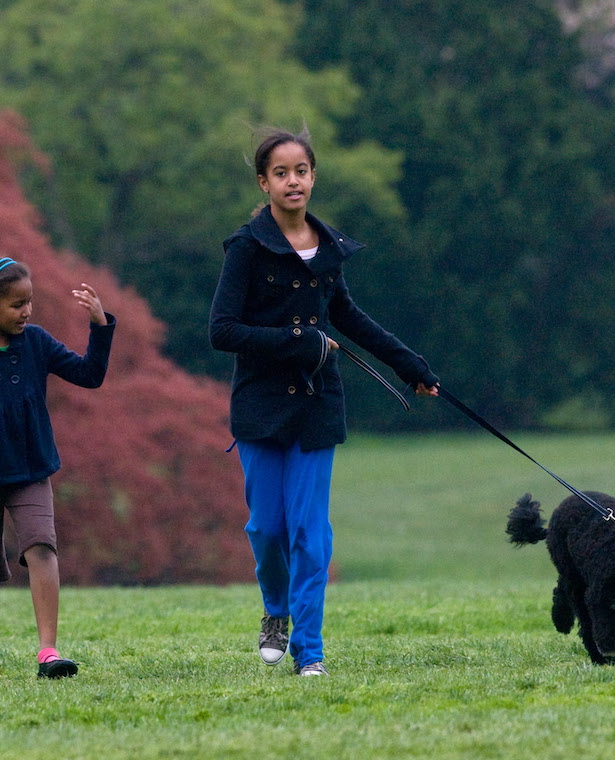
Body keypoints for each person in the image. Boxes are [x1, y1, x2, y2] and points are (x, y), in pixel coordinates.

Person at [209, 128, 438, 677]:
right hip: (260, 406)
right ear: (264, 183)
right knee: (267, 529)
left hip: (316, 403)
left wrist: (411, 367)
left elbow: (349, 317)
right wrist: (296, 341)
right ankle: (275, 613)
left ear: (314, 177)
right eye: (281, 173)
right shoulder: (246, 247)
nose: (294, 181)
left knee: (312, 533)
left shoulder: (328, 249)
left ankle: (309, 652)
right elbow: (222, 330)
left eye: (302, 171)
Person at [0, 257, 115, 682]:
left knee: (42, 547)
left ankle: (48, 652)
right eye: (17, 305)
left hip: (30, 470)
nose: (27, 312)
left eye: (30, 302)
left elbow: (89, 374)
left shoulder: (37, 343)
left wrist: (100, 326)